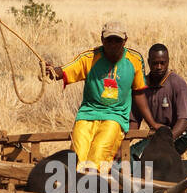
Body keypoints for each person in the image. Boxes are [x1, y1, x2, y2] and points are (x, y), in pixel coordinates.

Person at [46, 22, 161, 175]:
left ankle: (91, 186)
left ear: (125, 41)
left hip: (115, 117)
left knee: (98, 153)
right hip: (87, 114)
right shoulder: (90, 57)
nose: (113, 45)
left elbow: (139, 94)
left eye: (117, 41)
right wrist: (52, 71)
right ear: (102, 40)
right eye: (109, 40)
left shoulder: (134, 60)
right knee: (77, 155)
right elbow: (65, 70)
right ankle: (75, 186)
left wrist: (152, 123)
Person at [130, 42, 187, 157]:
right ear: (149, 62)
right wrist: (124, 142)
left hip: (177, 135)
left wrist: (167, 139)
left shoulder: (177, 83)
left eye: (162, 63)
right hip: (154, 135)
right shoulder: (141, 85)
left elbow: (183, 120)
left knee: (146, 157)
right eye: (155, 63)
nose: (159, 67)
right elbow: (134, 120)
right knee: (130, 155)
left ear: (168, 61)